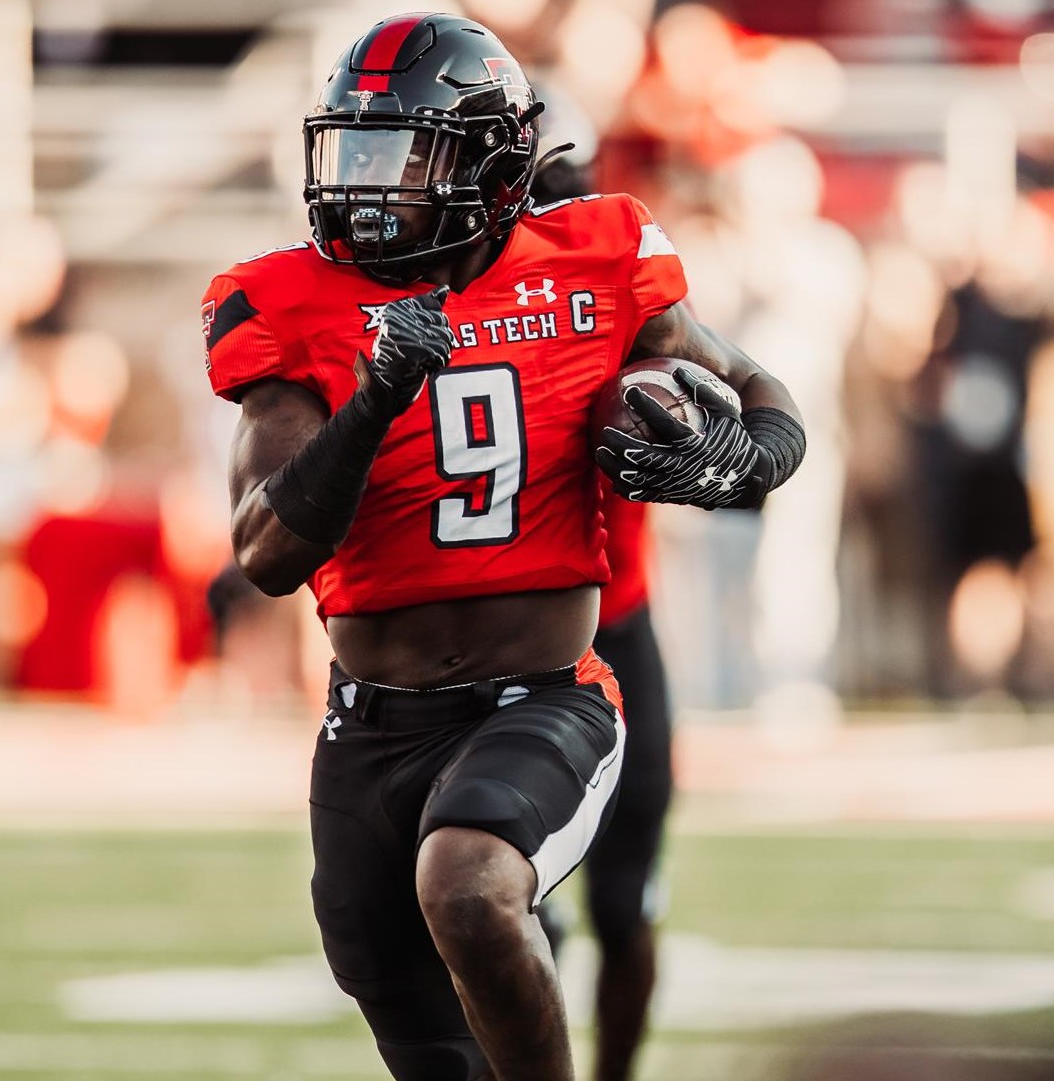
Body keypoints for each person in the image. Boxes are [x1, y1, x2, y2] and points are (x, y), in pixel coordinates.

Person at [201, 13, 807, 1080]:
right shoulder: (290, 302)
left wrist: (734, 464)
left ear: (491, 164)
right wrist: (375, 400)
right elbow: (266, 552)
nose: (368, 186)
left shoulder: (596, 259)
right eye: (357, 151)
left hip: (545, 693)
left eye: (407, 156)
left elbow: (766, 401)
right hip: (371, 726)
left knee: (470, 884)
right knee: (420, 1023)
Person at [524, 154, 674, 1081]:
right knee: (502, 912)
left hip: (611, 632)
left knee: (624, 905)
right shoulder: (460, 317)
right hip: (512, 650)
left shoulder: (633, 322)